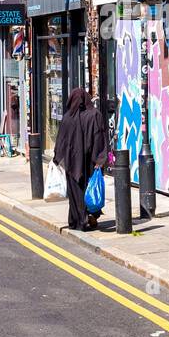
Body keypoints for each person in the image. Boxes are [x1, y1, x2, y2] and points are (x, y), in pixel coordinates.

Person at [52, 87, 108, 231]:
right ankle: (90, 216)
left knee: (75, 193)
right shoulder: (95, 115)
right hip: (90, 162)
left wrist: (57, 158)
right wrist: (100, 160)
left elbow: (61, 141)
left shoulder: (67, 118)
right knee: (90, 189)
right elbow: (99, 137)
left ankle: (77, 221)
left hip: (72, 162)